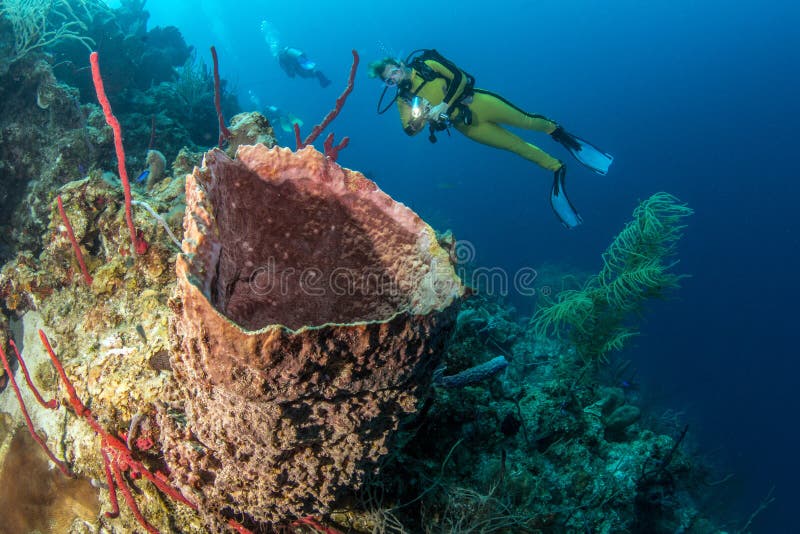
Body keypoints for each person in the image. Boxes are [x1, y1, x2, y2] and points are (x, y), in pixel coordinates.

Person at [368, 49, 613, 228]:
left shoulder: (427, 65)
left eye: (394, 72)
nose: (395, 79)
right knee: (515, 146)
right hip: (467, 126)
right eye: (389, 81)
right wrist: (420, 118)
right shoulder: (404, 98)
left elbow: (461, 78)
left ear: (400, 63)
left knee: (527, 121)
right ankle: (556, 167)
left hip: (479, 102)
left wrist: (443, 104)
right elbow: (409, 131)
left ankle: (558, 133)